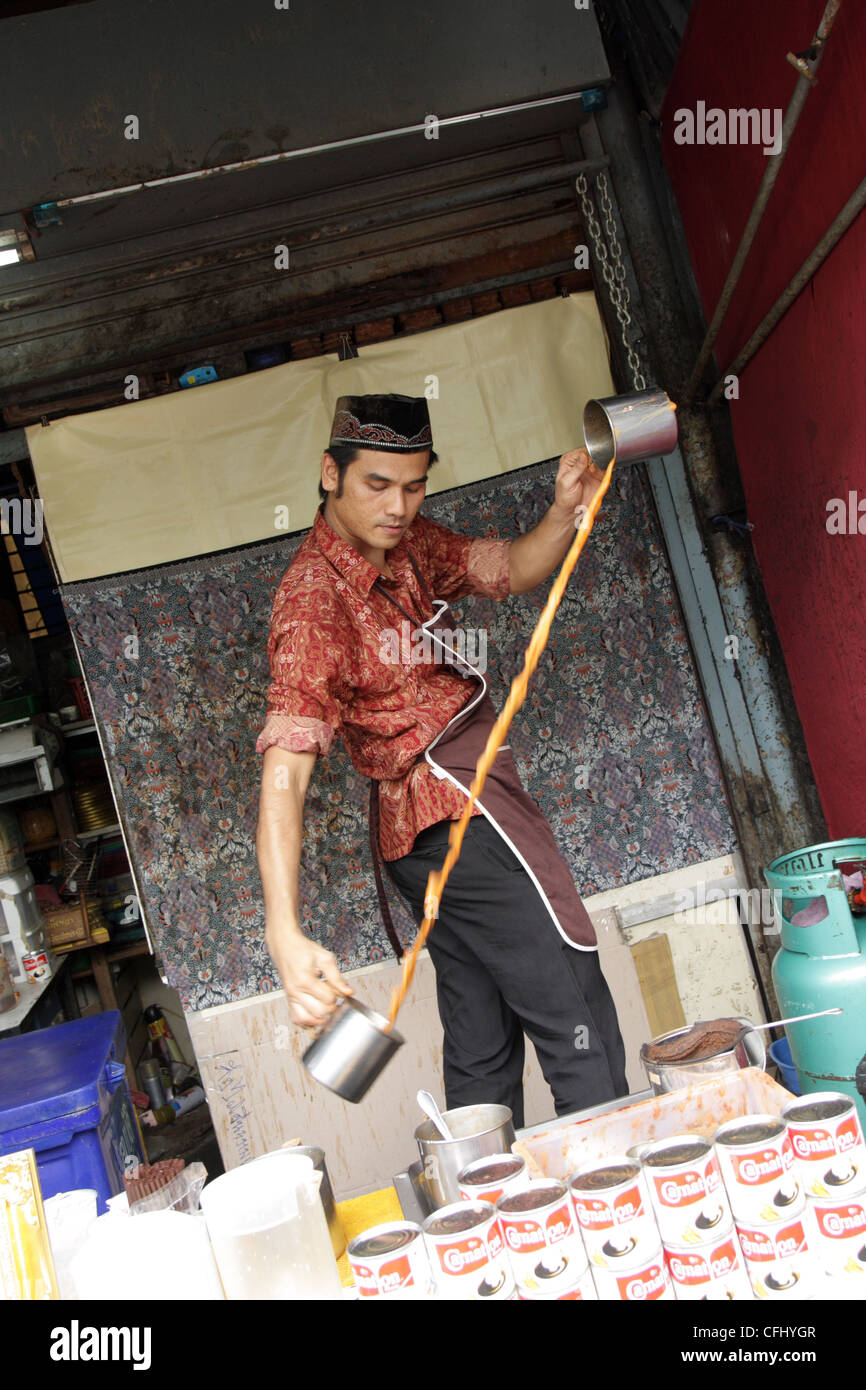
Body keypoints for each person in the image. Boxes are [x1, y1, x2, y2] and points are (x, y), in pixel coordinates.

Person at [256, 393, 628, 1126]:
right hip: (457, 822)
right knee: (573, 1009)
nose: (398, 506)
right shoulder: (312, 605)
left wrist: (565, 510)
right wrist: (283, 930)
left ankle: (481, 1189)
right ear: (330, 473)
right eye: (377, 485)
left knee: (481, 1034)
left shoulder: (410, 543)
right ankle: (613, 1180)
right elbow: (285, 773)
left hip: (431, 837)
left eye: (414, 485)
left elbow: (509, 568)